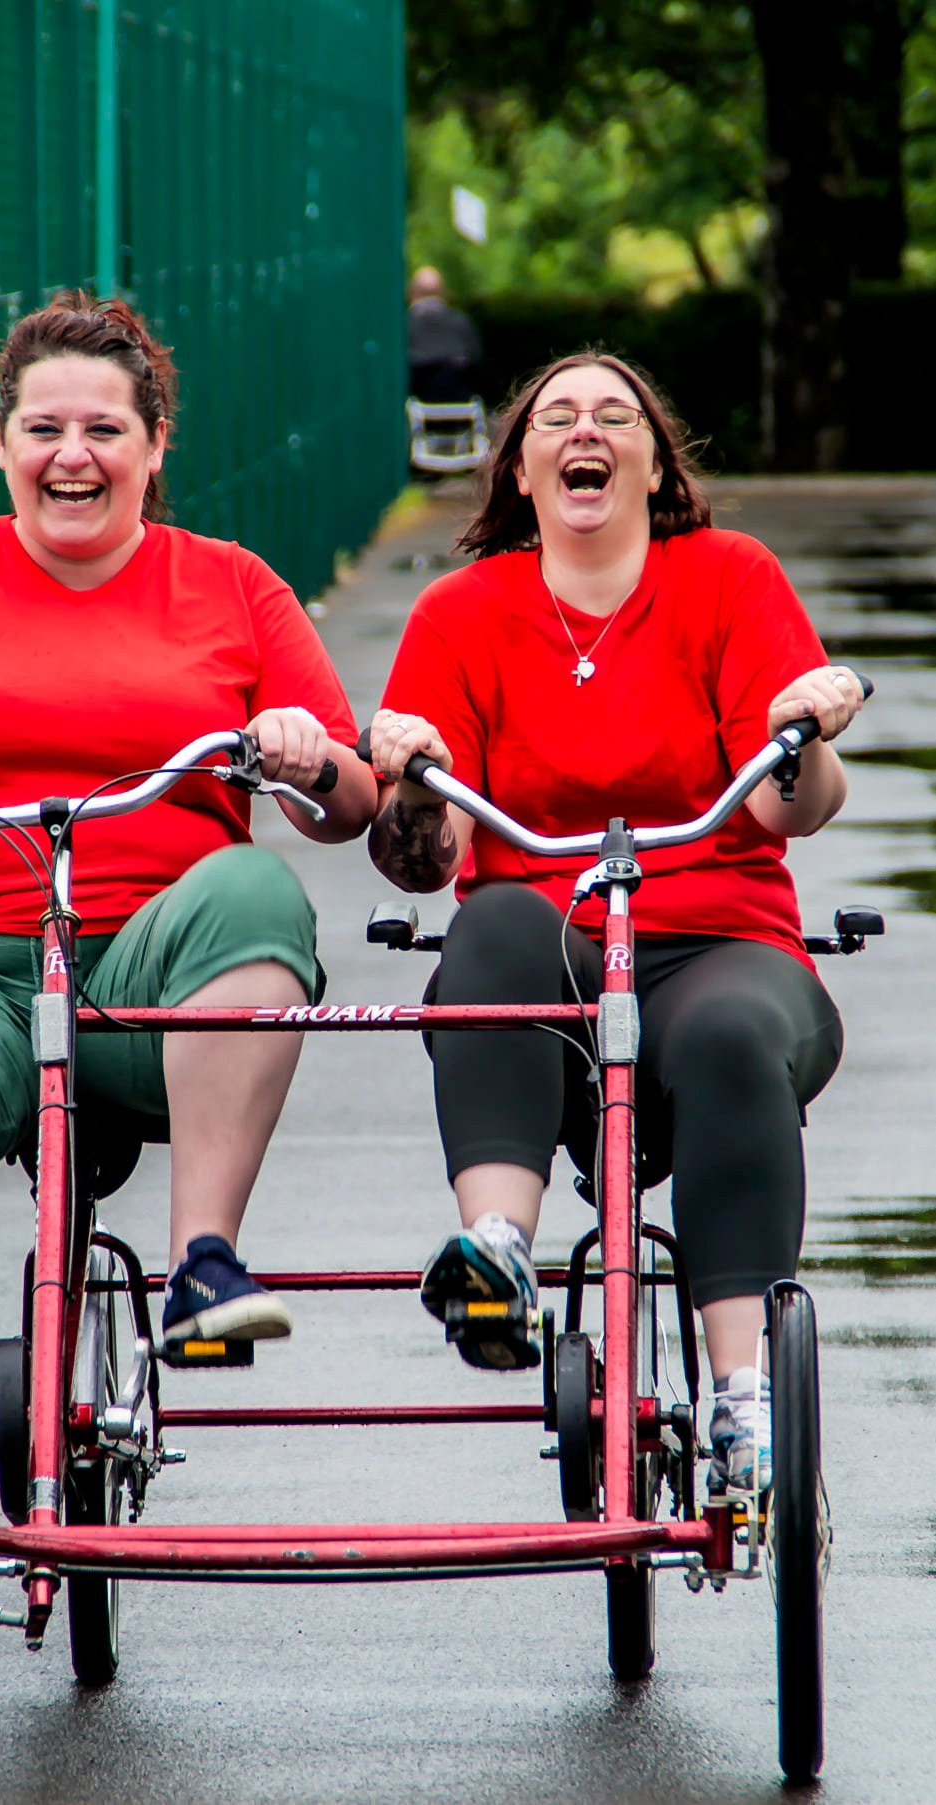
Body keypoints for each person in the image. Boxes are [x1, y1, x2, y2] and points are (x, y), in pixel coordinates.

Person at [0, 290, 377, 1496]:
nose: (73, 455)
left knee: (255, 891)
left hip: (148, 974)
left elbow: (352, 795)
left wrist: (306, 755)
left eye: (104, 429)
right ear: (0, 441)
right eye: (44, 428)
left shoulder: (231, 584)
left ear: (154, 447)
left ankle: (202, 1264)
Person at [366, 350, 864, 1494]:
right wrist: (407, 782)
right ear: (523, 471)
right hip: (548, 935)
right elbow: (418, 857)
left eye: (612, 415)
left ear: (650, 465)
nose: (582, 430)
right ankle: (495, 1249)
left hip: (717, 929)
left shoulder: (726, 579)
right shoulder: (462, 612)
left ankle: (740, 1394)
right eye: (554, 418)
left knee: (731, 1032)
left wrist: (804, 733)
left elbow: (797, 805)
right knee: (487, 924)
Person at [406, 266, 483, 405]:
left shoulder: (405, 324)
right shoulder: (461, 321)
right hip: (460, 401)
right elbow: (476, 359)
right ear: (443, 292)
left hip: (419, 402)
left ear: (412, 293)